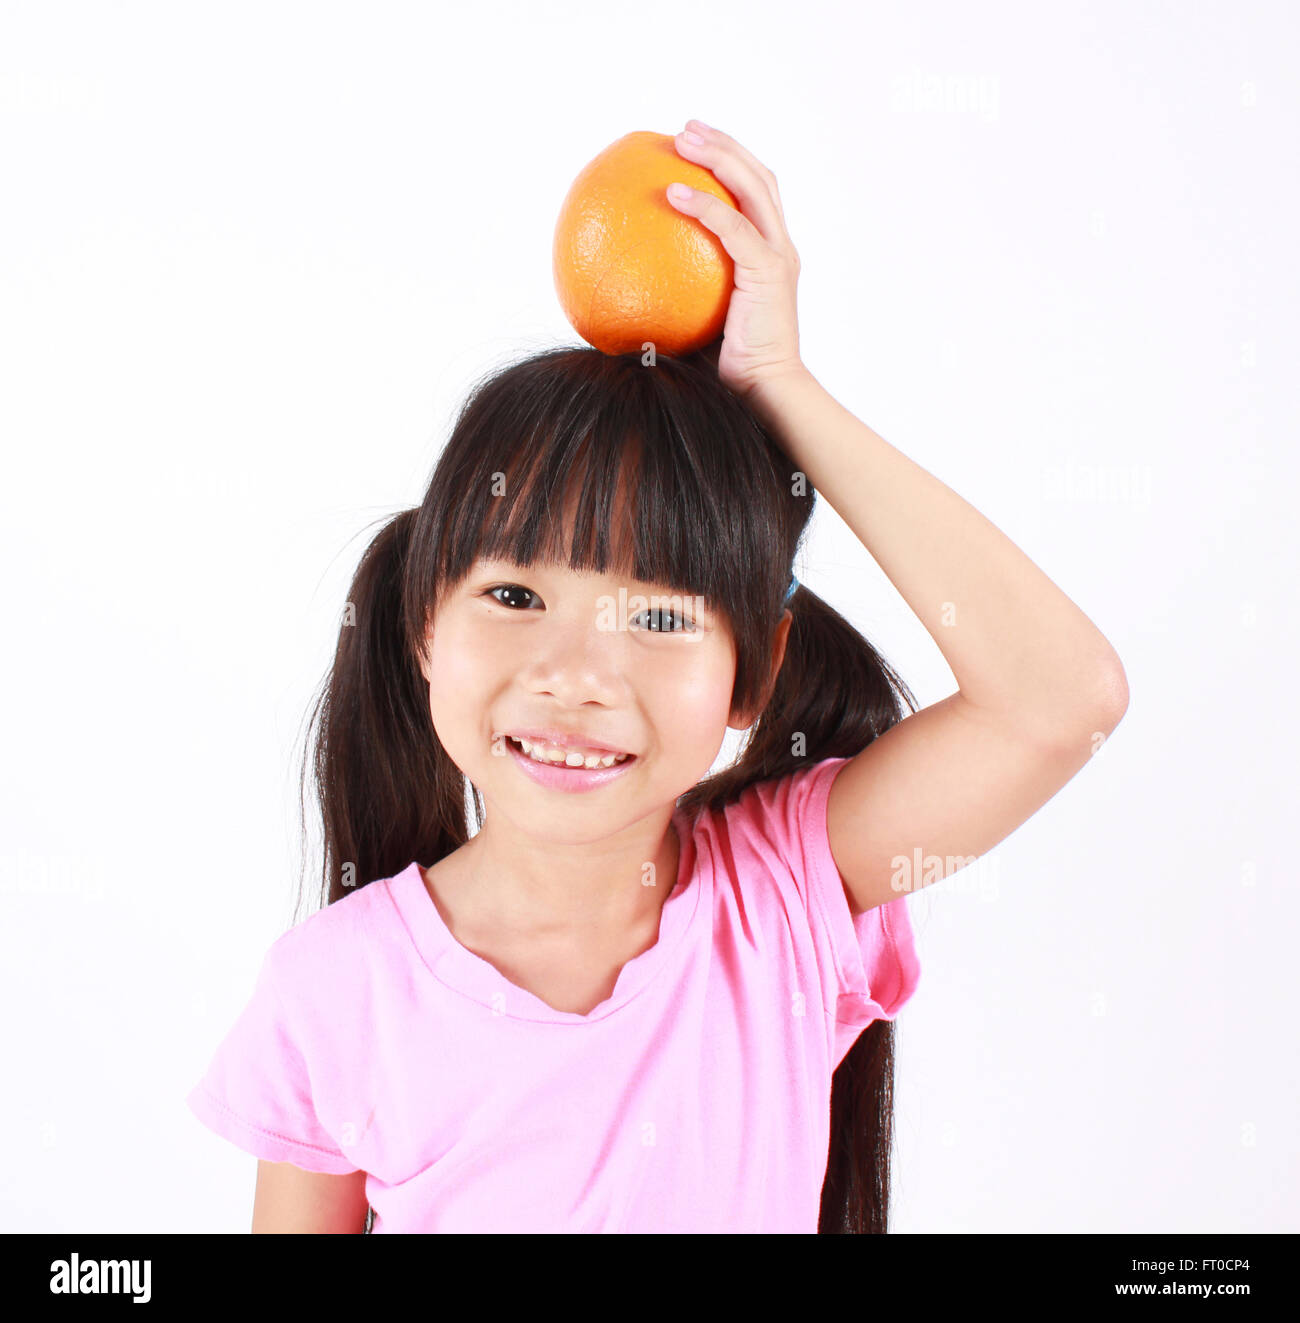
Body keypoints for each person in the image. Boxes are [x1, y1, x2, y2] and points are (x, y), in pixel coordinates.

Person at [186, 121, 1128, 1234]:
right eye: (516, 596)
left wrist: (781, 389)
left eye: (659, 615)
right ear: (423, 625)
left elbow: (1062, 702)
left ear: (752, 678)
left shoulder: (780, 901)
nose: (576, 674)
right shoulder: (331, 993)